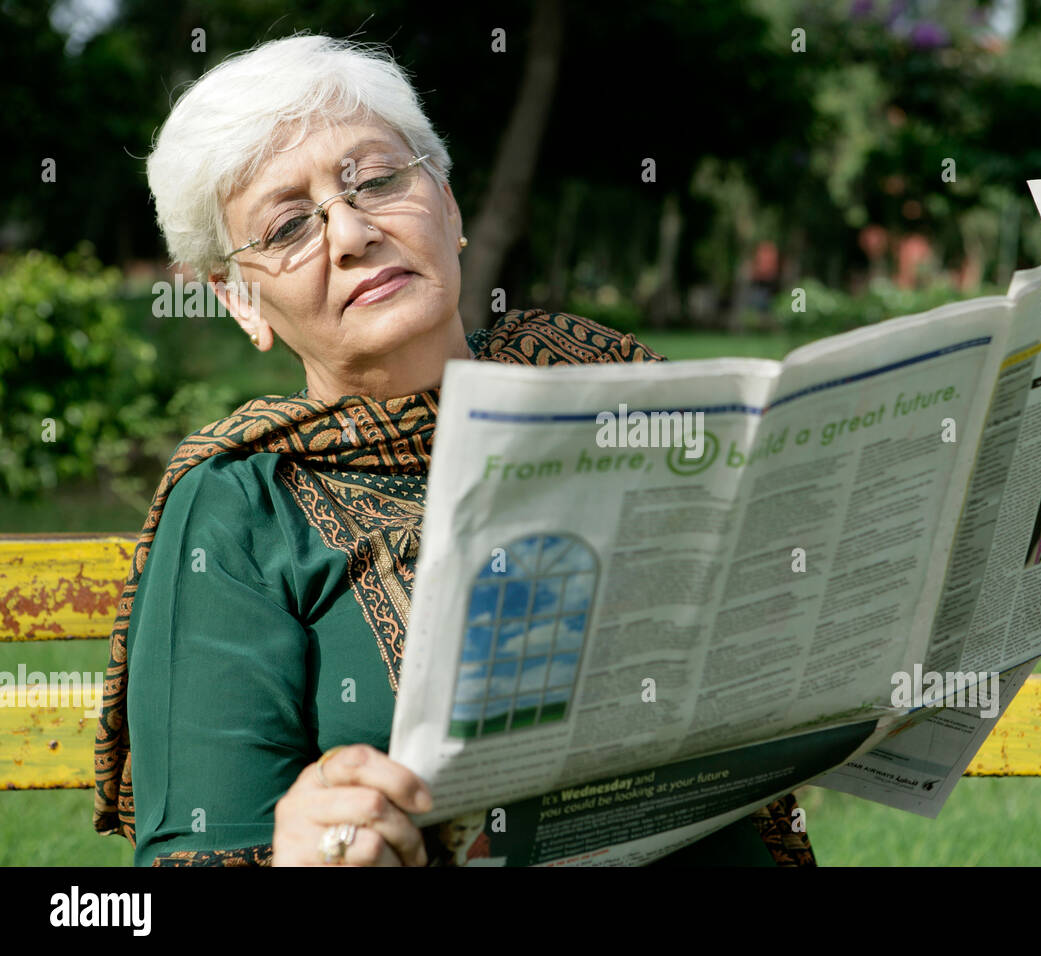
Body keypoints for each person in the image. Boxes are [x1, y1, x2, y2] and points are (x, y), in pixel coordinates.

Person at [92, 34, 807, 867]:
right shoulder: (240, 505)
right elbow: (196, 853)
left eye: (378, 180)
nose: (352, 232)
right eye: (290, 226)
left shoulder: (610, 384)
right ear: (241, 299)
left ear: (450, 206)